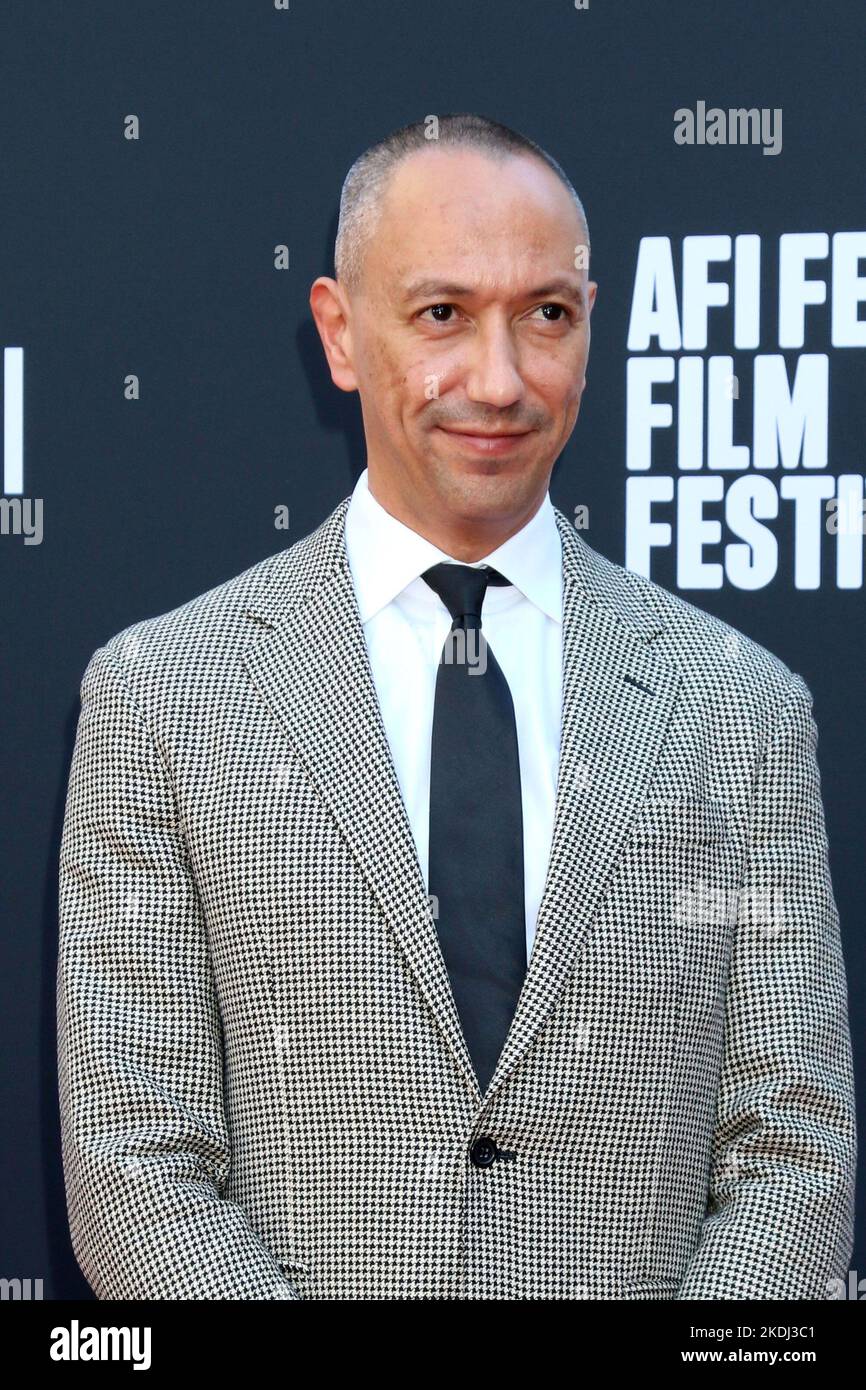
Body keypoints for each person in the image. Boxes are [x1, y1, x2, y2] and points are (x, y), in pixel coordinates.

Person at [57, 113, 856, 1300]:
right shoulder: (164, 694)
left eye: (545, 314)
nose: (499, 379)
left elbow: (793, 1147)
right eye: (441, 314)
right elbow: (133, 1158)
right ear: (338, 331)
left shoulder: (738, 706)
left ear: (590, 330)